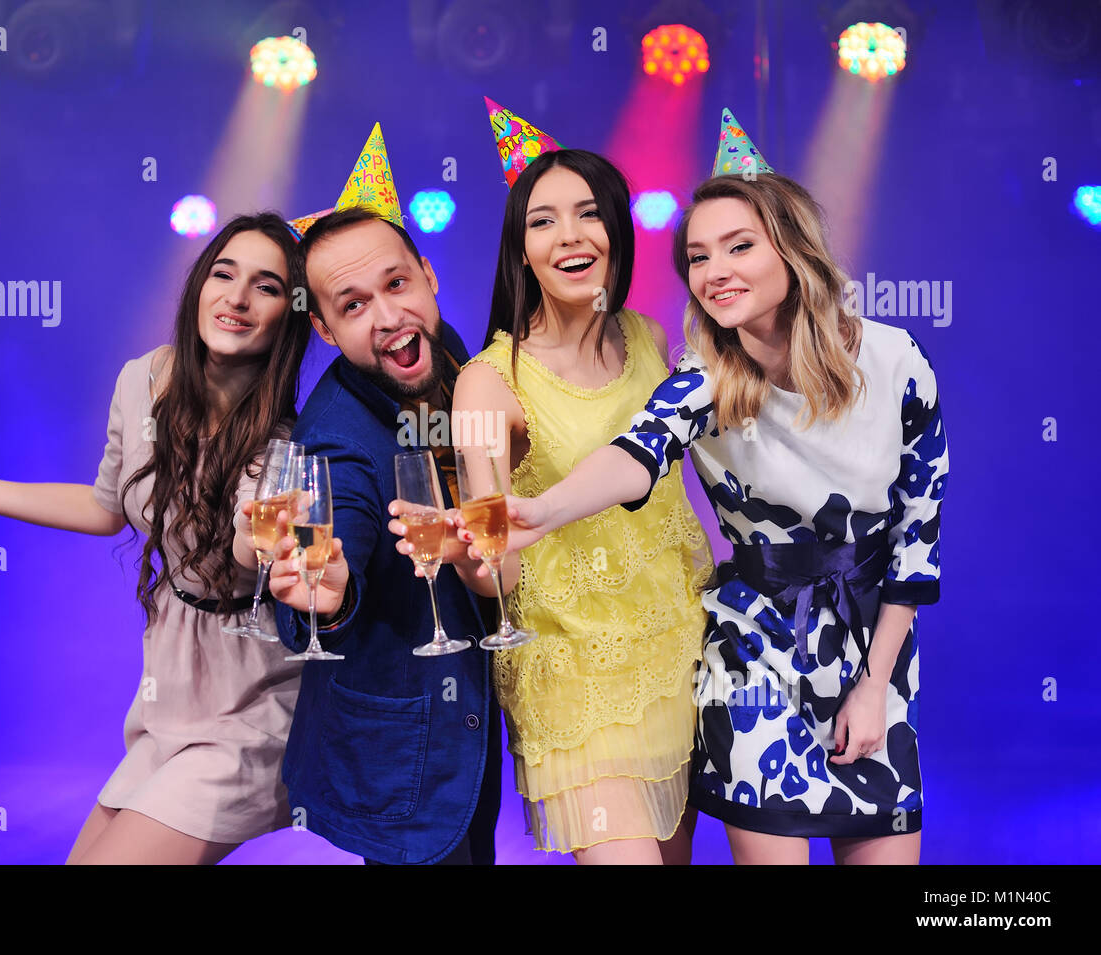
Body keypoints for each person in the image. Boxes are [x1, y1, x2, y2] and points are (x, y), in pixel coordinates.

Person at [475, 110, 948, 864]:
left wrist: (876, 685)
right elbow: (635, 454)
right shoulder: (704, 377)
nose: (714, 271)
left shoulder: (897, 363)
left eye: (739, 246)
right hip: (753, 654)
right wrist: (536, 513)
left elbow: (914, 550)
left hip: (872, 656)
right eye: (697, 257)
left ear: (793, 251)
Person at [0, 212, 311, 864]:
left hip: (255, 699)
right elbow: (107, 506)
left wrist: (262, 536)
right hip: (171, 688)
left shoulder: (284, 447)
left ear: (290, 312)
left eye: (267, 286)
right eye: (224, 273)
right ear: (199, 285)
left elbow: (252, 559)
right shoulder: (142, 382)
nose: (237, 297)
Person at [453, 123, 714, 863]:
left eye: (588, 212)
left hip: (679, 652)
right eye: (543, 220)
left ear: (616, 232)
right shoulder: (485, 381)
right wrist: (475, 556)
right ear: (522, 249)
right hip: (572, 675)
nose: (569, 235)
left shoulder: (652, 340)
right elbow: (495, 556)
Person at [267, 205, 502, 865]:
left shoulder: (449, 353)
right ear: (325, 328)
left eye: (397, 284)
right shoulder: (336, 438)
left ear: (427, 275)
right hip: (407, 754)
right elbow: (325, 557)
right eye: (353, 304)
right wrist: (327, 595)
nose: (388, 315)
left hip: (466, 706)